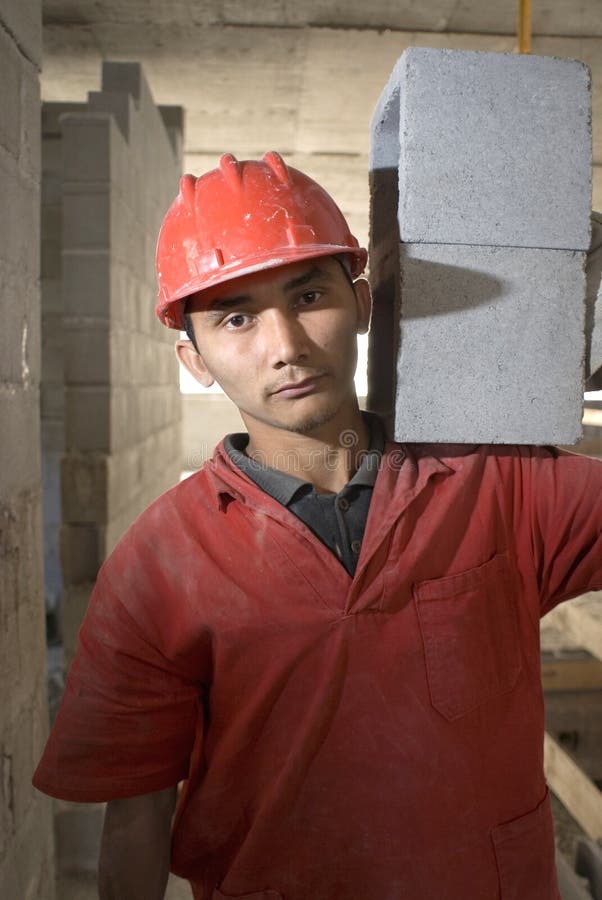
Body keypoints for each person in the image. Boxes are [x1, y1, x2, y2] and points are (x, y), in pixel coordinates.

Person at [34, 152, 602, 900]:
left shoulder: (498, 484)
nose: (287, 347)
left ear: (361, 304)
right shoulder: (157, 567)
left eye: (308, 296)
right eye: (236, 318)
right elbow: (136, 821)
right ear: (194, 359)